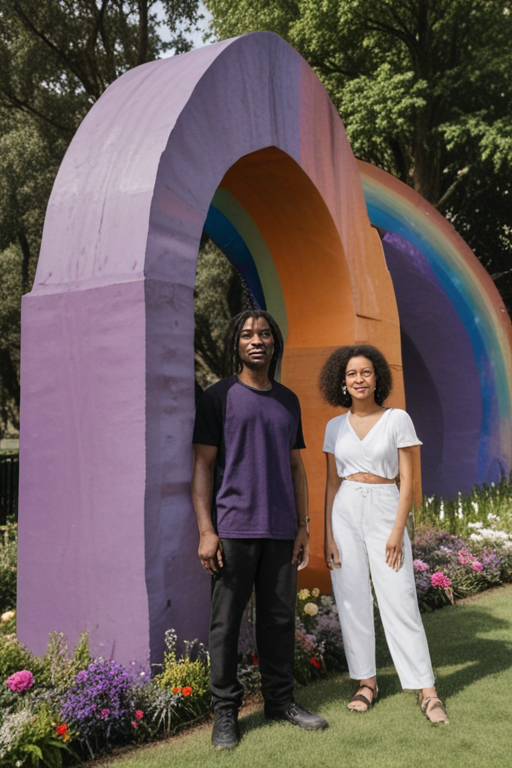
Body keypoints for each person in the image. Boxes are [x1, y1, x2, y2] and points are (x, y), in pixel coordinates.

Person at [192, 309, 329, 750]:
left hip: (280, 529)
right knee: (226, 624)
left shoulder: (288, 400)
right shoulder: (218, 398)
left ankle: (280, 702)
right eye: (248, 334)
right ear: (237, 343)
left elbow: (296, 466)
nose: (256, 340)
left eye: (264, 334)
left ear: (274, 344)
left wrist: (303, 526)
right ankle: (226, 716)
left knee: (277, 619)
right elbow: (203, 466)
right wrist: (206, 530)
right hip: (232, 529)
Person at [321, 344, 449, 725]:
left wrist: (397, 530)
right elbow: (331, 483)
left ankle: (427, 691)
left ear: (377, 376)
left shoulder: (397, 419)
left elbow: (408, 480)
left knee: (400, 599)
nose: (359, 380)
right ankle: (366, 682)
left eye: (365, 372)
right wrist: (328, 535)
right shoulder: (334, 427)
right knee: (351, 600)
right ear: (342, 383)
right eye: (351, 374)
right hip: (344, 511)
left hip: (384, 506)